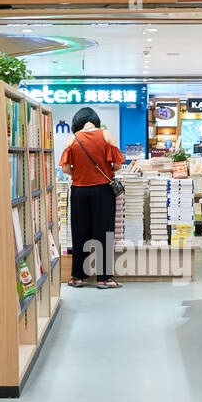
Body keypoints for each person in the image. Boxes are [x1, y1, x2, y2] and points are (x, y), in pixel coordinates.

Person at [59, 107, 124, 288]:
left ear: (77, 122)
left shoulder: (72, 138)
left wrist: (79, 175)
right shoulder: (106, 135)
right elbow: (117, 165)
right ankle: (104, 279)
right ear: (95, 120)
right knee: (104, 233)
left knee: (80, 232)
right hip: (103, 191)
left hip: (79, 191)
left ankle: (78, 277)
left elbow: (65, 169)